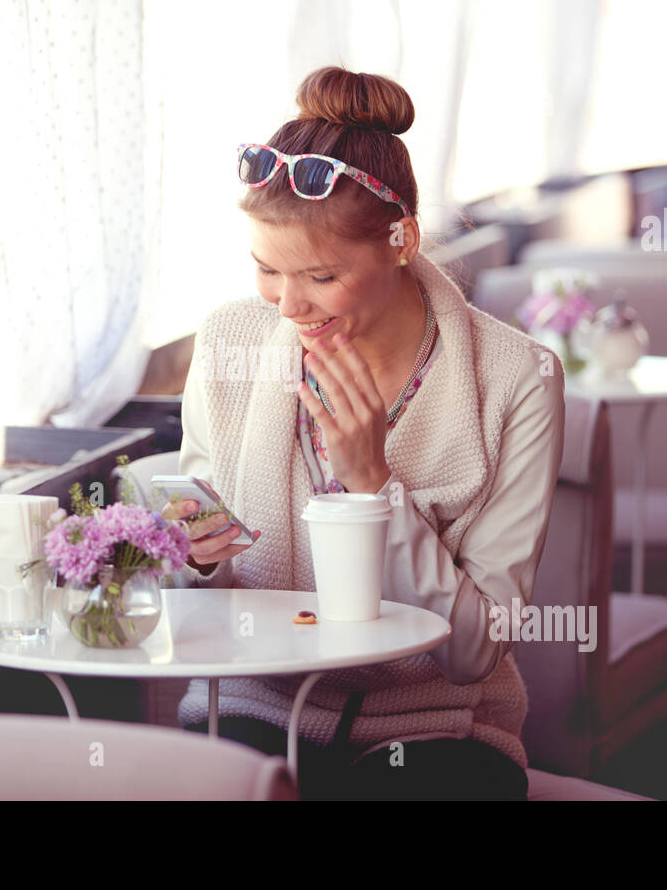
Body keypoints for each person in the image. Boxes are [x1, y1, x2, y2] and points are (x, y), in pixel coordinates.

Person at [161, 66, 565, 800]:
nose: (288, 306)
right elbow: (200, 576)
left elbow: (476, 648)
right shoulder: (230, 341)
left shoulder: (517, 378)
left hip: (434, 727)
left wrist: (374, 484)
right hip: (255, 704)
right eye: (265, 270)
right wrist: (191, 558)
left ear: (402, 239)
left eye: (319, 277)